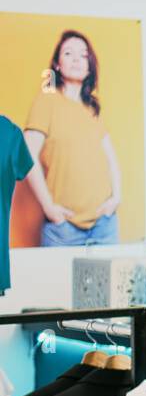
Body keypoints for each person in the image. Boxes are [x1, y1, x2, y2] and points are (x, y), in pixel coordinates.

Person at [23, 30, 122, 247]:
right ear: (57, 65)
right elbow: (27, 153)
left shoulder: (92, 108)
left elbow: (111, 158)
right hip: (63, 229)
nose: (77, 59)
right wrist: (50, 209)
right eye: (68, 53)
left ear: (89, 66)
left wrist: (116, 199)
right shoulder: (46, 100)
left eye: (83, 55)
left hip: (104, 225)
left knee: (112, 282)